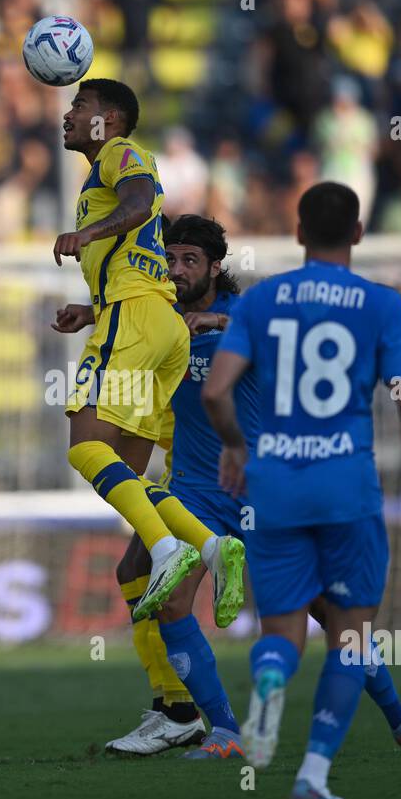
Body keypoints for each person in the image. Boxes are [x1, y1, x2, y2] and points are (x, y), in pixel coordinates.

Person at [202, 182, 401, 799]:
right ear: (358, 233)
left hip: (274, 486)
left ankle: (269, 679)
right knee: (349, 636)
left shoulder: (261, 301)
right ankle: (313, 773)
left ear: (298, 233)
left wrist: (236, 446)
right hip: (346, 486)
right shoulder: (380, 304)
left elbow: (215, 391)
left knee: (281, 632)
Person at [50, 79, 246, 624]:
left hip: (135, 323)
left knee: (85, 450)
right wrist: (92, 309)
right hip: (156, 325)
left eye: (79, 105)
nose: (68, 114)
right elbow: (139, 259)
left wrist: (88, 234)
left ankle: (166, 550)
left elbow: (139, 204)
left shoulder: (121, 153)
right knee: (125, 473)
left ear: (109, 118)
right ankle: (210, 546)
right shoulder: (103, 171)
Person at [102, 215, 257, 758]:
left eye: (189, 260)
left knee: (321, 608)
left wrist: (219, 321)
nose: (175, 269)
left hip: (256, 486)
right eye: (168, 258)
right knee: (143, 578)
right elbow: (127, 318)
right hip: (192, 483)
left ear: (215, 267)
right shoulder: (165, 314)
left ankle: (399, 717)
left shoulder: (242, 316)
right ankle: (189, 716)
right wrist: (87, 314)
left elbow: (276, 334)